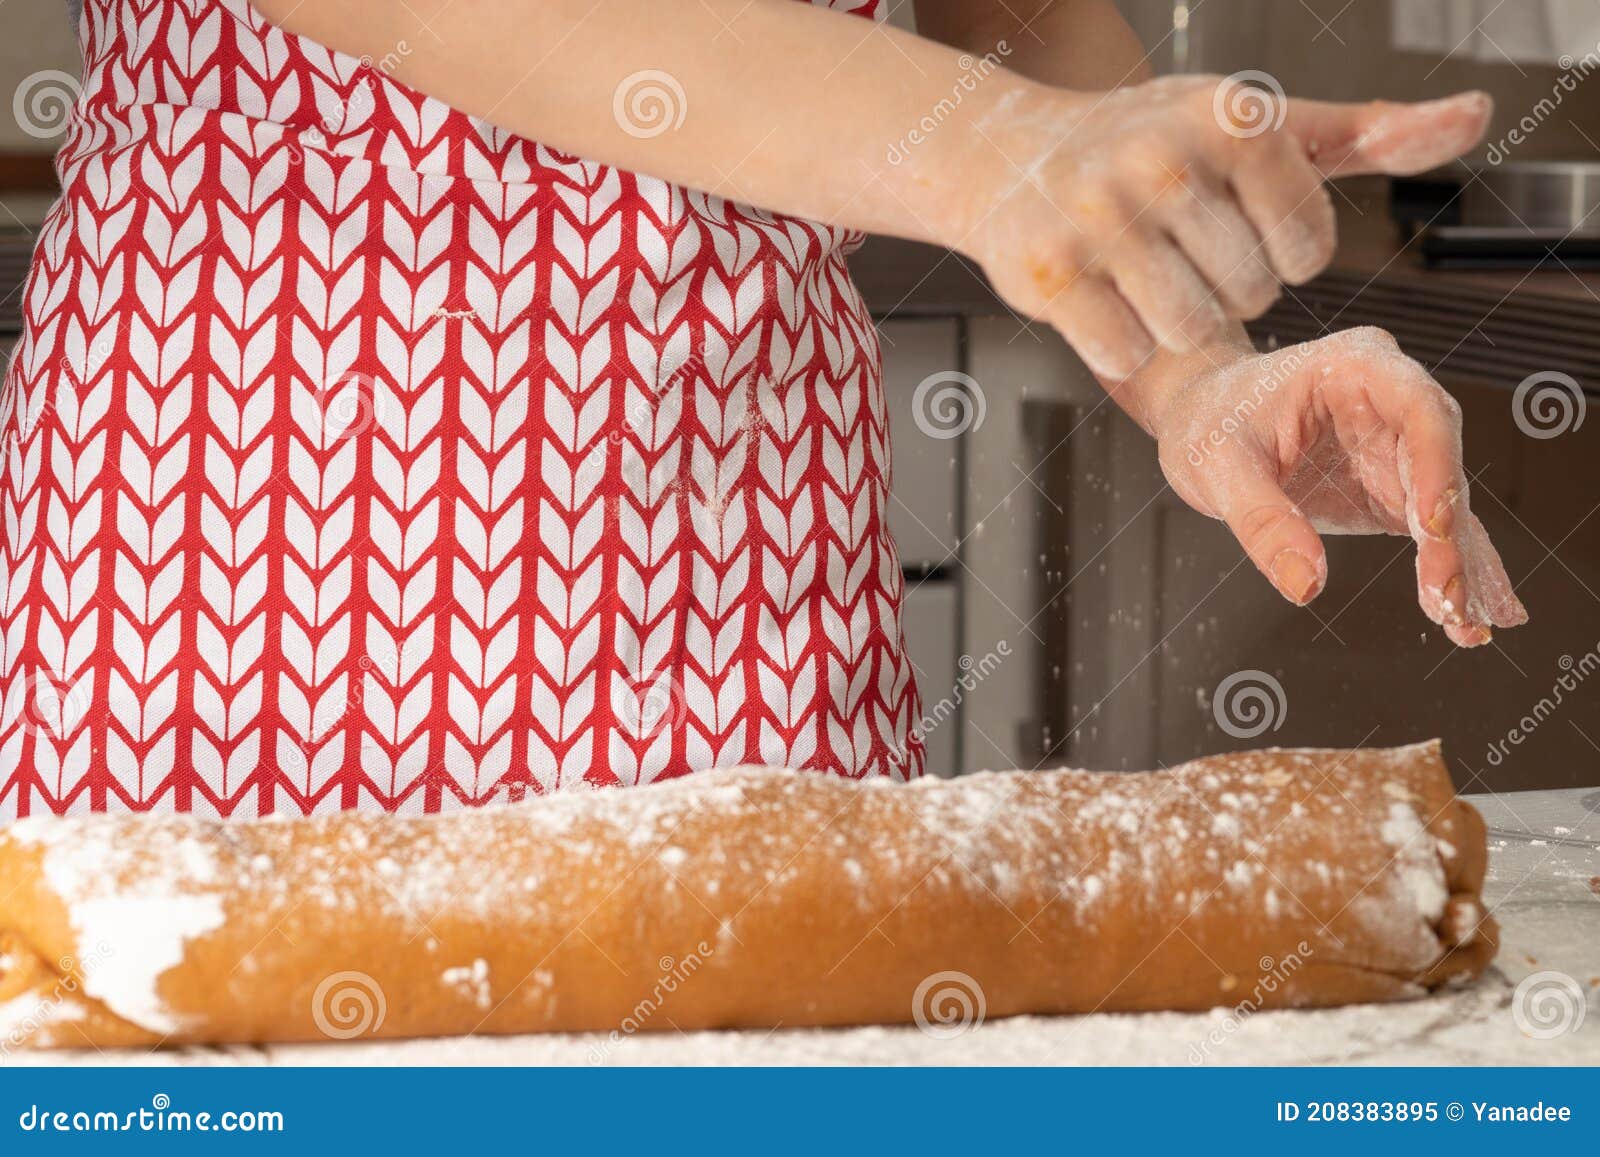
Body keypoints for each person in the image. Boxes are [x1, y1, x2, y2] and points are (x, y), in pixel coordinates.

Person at [0, 0, 1525, 819]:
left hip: (732, 590)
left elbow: (1023, 14)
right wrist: (1001, 150)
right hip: (231, 581)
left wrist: (1200, 373)